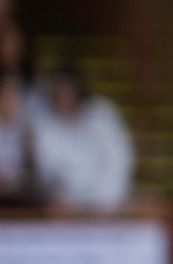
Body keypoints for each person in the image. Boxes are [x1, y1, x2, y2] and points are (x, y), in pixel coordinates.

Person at [31, 70, 134, 211]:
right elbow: (47, 170)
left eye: (67, 91)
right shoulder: (44, 124)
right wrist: (63, 198)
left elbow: (119, 160)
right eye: (58, 91)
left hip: (105, 204)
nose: (63, 97)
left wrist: (103, 200)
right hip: (65, 208)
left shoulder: (102, 114)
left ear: (78, 91)